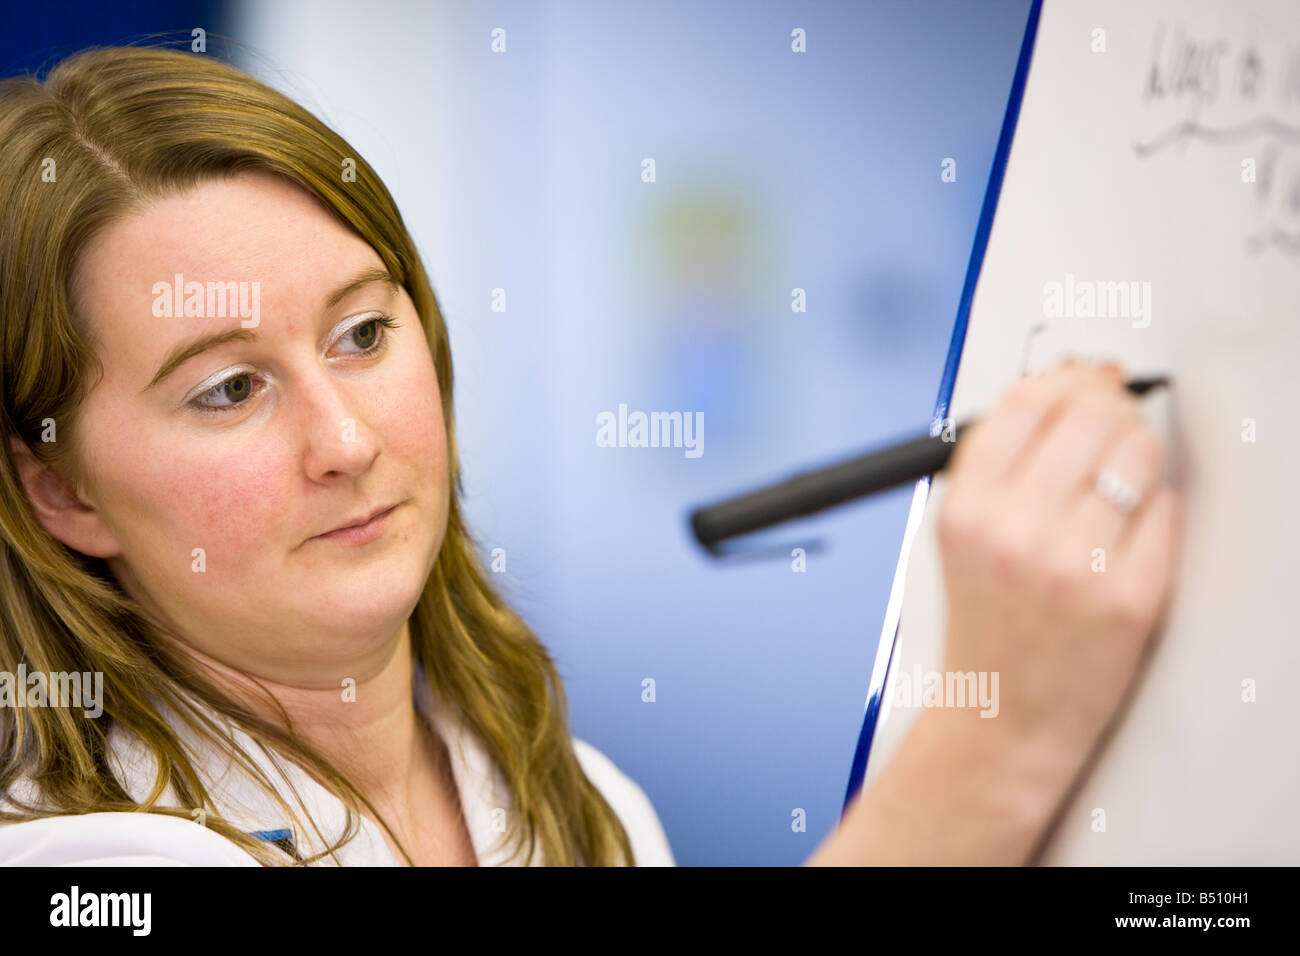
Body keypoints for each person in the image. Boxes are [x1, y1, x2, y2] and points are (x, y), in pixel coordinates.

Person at [0, 45, 1182, 867]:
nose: (348, 441)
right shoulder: (88, 860)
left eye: (363, 332)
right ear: (60, 487)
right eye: (229, 389)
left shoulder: (575, 796)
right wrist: (996, 738)